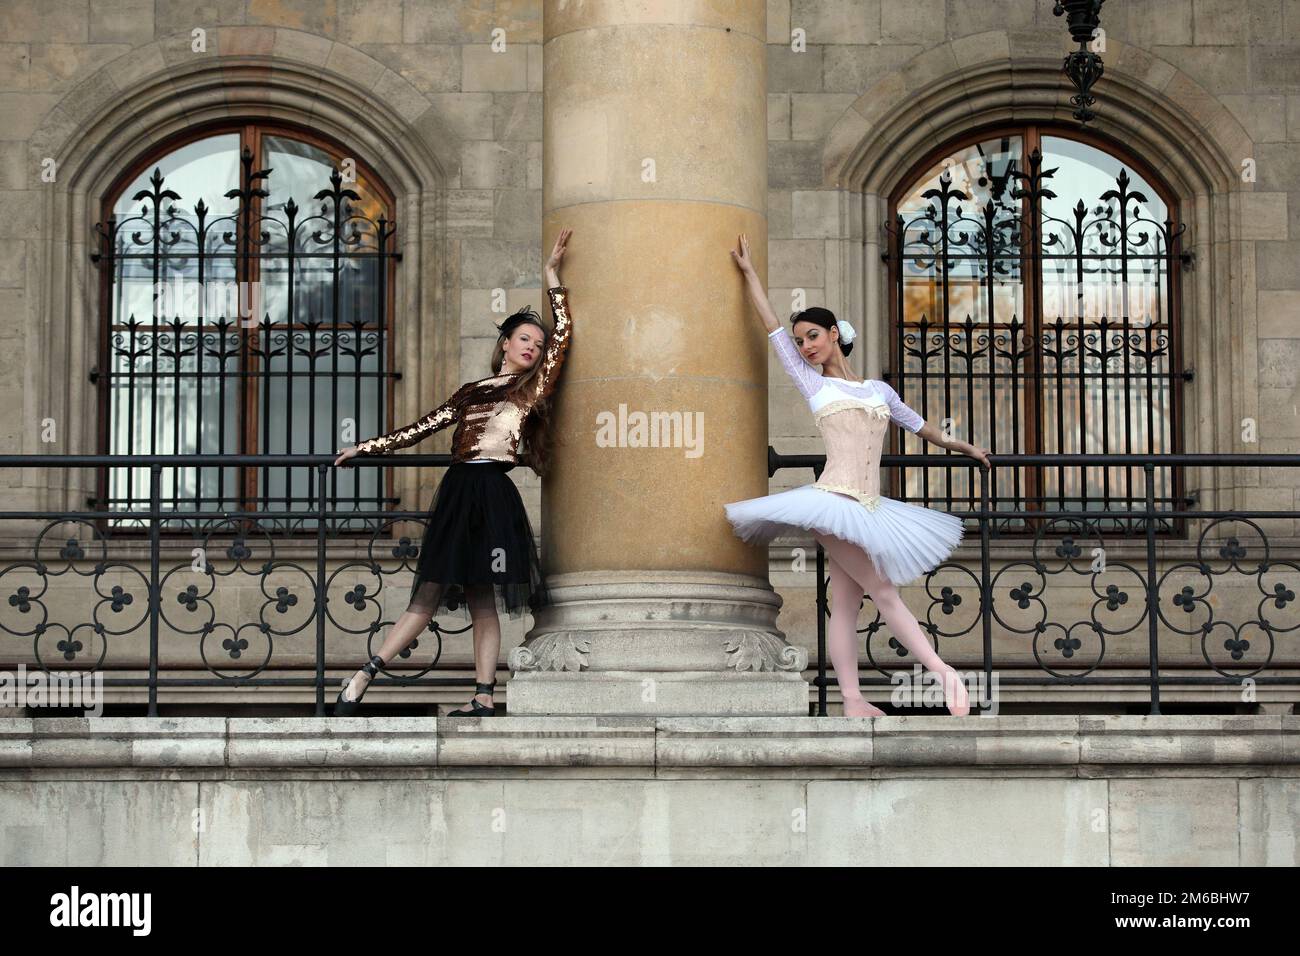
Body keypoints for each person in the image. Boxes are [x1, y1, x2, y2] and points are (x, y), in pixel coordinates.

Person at [723, 233, 989, 718]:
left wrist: (963, 445)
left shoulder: (878, 390)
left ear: (833, 335)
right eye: (801, 339)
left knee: (846, 604)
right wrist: (750, 274)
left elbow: (920, 425)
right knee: (883, 590)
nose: (805, 346)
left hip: (871, 507)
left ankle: (851, 700)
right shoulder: (812, 383)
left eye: (813, 337)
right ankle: (942, 671)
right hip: (833, 501)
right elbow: (770, 329)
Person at [331, 228, 574, 717]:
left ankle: (484, 696)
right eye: (524, 338)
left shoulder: (532, 387)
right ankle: (364, 676)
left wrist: (552, 278)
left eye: (537, 343)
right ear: (505, 343)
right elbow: (420, 428)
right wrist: (366, 447)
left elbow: (564, 337)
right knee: (428, 594)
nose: (532, 347)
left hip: (494, 495)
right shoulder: (469, 391)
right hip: (460, 490)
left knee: (485, 600)